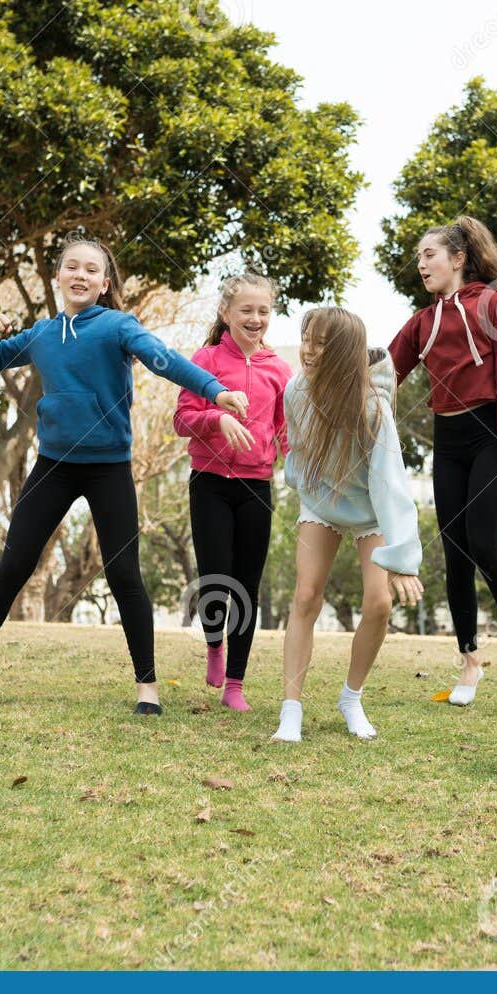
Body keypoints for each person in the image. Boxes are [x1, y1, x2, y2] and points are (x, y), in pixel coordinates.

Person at [0, 234, 248, 716]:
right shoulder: (44, 334)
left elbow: (163, 359)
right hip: (54, 467)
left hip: (108, 468)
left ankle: (147, 687)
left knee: (124, 573)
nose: (80, 275)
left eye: (91, 269)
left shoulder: (117, 326)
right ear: (59, 276)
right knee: (13, 566)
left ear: (105, 283)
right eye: (72, 267)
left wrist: (215, 391)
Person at [388, 215, 497, 705]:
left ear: (458, 258)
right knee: (454, 550)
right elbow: (386, 372)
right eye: (418, 258)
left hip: (490, 435)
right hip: (447, 436)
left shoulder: (494, 305)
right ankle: (470, 661)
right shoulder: (422, 322)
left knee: (481, 538)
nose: (421, 265)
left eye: (429, 255)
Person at [273, 306, 423, 742]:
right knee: (305, 595)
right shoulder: (296, 391)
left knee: (379, 603)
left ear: (342, 352)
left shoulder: (373, 408)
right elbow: (297, 450)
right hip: (321, 503)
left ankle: (351, 698)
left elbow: (390, 484)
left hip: (370, 510)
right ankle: (291, 709)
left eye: (321, 344)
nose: (308, 351)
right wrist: (302, 483)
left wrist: (402, 556)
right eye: (306, 339)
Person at [173, 273, 292, 712]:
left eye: (263, 310)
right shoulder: (204, 360)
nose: (256, 318)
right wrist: (215, 419)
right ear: (226, 313)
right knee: (216, 581)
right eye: (246, 310)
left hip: (256, 485)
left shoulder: (279, 369)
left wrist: (297, 467)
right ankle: (214, 646)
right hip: (209, 483)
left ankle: (235, 685)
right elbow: (182, 419)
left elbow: (285, 432)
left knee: (248, 585)